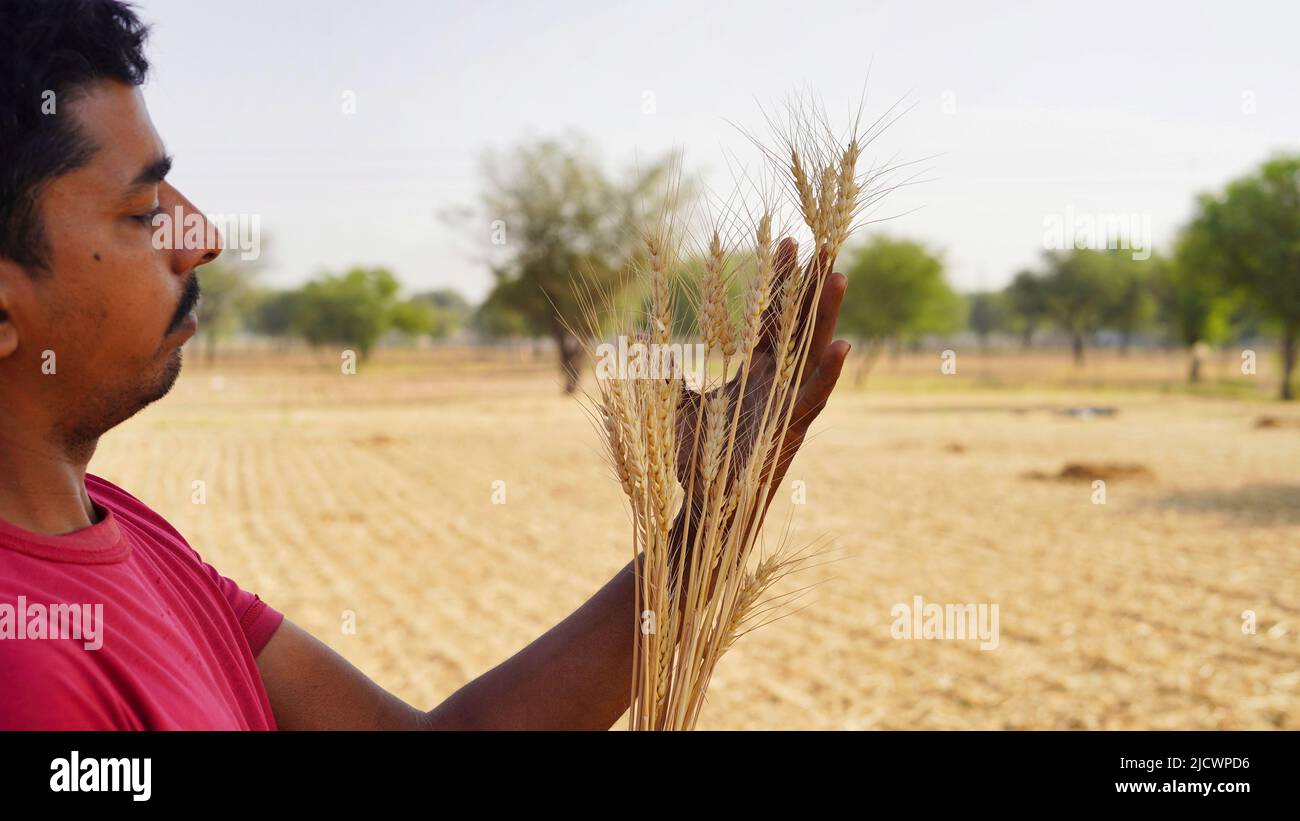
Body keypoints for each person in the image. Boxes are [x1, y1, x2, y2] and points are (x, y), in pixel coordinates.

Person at [0, 0, 850, 729]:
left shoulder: (121, 527)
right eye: (146, 210)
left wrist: (710, 516)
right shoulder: (29, 672)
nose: (204, 239)